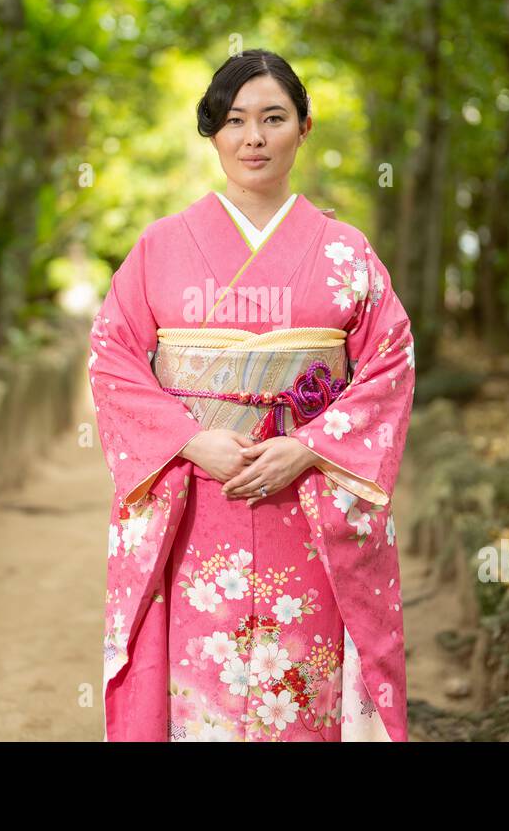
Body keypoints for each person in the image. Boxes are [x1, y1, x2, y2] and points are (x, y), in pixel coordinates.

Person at [89, 49, 416, 741]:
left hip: (308, 505)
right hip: (199, 499)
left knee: (303, 691)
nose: (254, 138)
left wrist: (310, 447)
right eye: (234, 121)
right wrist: (189, 439)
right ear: (212, 133)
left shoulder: (345, 251)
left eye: (273, 118)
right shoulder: (160, 246)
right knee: (202, 698)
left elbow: (391, 359)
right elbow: (112, 353)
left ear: (304, 126)